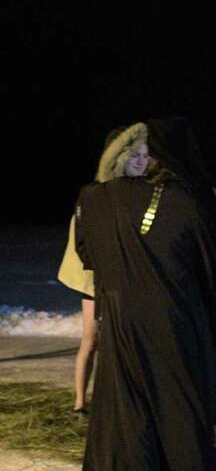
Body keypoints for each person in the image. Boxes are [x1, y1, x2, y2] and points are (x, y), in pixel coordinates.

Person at [74, 118, 216, 471]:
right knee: (185, 403)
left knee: (134, 406)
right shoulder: (181, 199)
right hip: (176, 317)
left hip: (121, 319)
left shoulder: (92, 199)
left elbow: (86, 255)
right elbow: (210, 263)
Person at [57, 124, 150, 413]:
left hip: (118, 281)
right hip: (94, 280)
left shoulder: (134, 194)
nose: (141, 161)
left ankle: (119, 399)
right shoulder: (96, 197)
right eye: (134, 154)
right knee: (91, 339)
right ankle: (79, 400)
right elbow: (84, 243)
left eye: (145, 155)